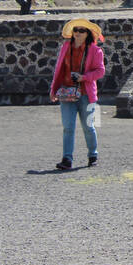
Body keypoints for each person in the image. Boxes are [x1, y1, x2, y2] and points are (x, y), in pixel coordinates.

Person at [49, 19, 105, 170]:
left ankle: (93, 155)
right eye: (76, 30)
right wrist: (53, 89)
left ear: (88, 34)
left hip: (86, 93)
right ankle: (67, 159)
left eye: (82, 31)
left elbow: (100, 71)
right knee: (68, 127)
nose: (78, 33)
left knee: (88, 126)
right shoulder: (66, 47)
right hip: (67, 91)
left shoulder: (95, 50)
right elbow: (58, 69)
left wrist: (84, 77)